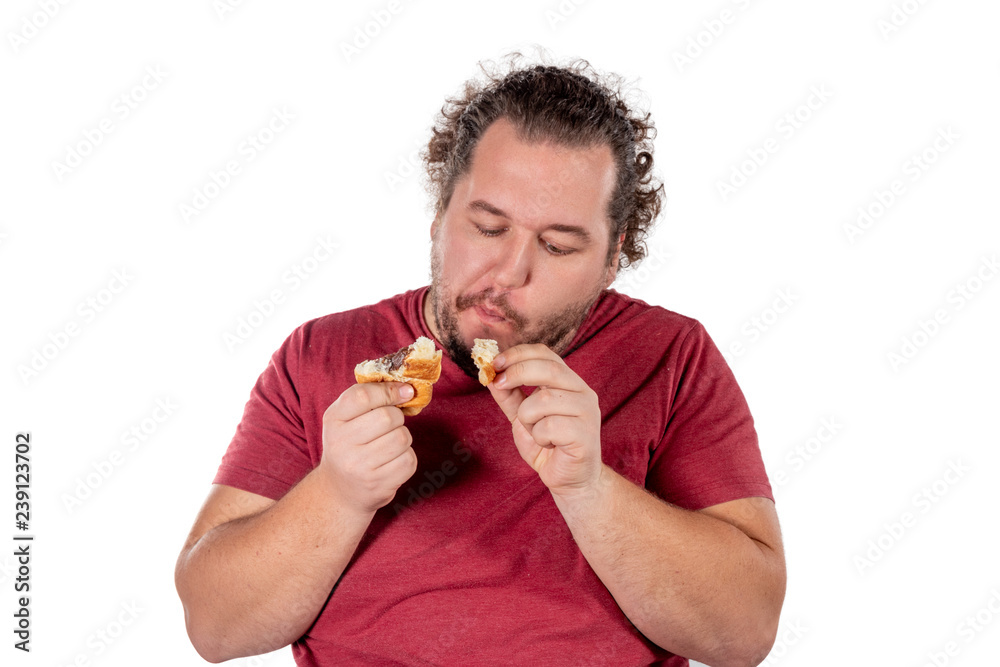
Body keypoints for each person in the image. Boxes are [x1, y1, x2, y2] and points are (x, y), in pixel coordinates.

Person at [175, 54, 786, 667]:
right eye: (489, 228)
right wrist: (339, 493)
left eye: (557, 245)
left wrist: (590, 488)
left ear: (612, 256)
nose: (509, 273)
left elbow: (744, 634)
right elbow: (215, 626)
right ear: (441, 214)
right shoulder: (320, 354)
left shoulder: (671, 357)